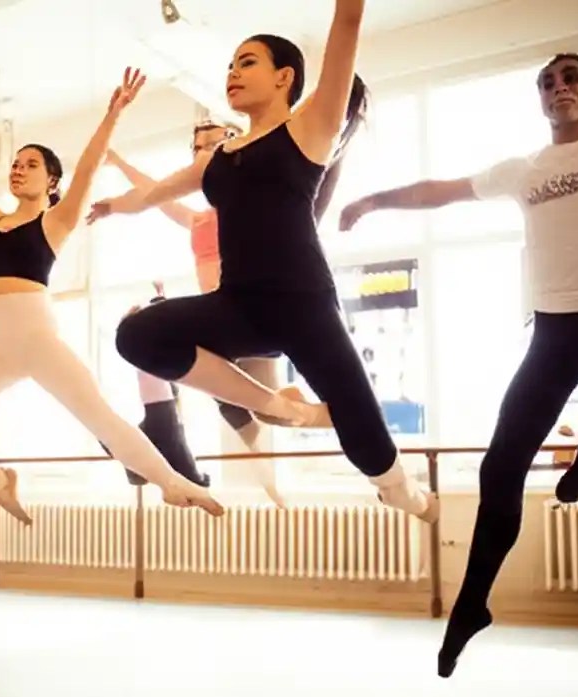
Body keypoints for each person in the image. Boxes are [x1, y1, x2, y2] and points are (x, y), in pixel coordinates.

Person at [339, 0, 578, 677]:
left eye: (573, 77)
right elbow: (440, 191)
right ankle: (471, 606)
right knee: (499, 467)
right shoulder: (522, 170)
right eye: (547, 82)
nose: (559, 87)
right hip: (552, 336)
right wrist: (371, 201)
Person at [90, 4, 434, 522]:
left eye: (246, 62)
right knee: (136, 335)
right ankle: (279, 407)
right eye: (230, 64)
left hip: (304, 308)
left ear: (284, 77)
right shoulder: (219, 159)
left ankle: (403, 490)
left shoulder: (308, 130)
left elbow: (347, 27)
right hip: (239, 306)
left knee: (360, 427)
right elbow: (160, 190)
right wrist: (112, 205)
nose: (232, 73)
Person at [0, 68, 224, 524]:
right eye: (16, 163)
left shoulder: (55, 222)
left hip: (39, 343)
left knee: (101, 418)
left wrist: (113, 113)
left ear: (52, 182)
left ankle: (173, 482)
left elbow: (90, 165)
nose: (18, 169)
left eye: (31, 164)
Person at [103, 82, 370, 506]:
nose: (206, 151)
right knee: (237, 409)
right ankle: (275, 490)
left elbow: (302, 192)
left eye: (215, 142)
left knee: (266, 411)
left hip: (258, 315)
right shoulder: (194, 219)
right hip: (220, 326)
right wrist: (117, 161)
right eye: (198, 147)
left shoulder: (246, 204)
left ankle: (347, 115)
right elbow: (154, 192)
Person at [100, 282, 210, 490]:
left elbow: (165, 324)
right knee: (164, 414)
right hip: (162, 414)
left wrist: (161, 297)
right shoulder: (145, 346)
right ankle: (131, 458)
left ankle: (132, 459)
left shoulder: (151, 348)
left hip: (162, 413)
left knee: (165, 411)